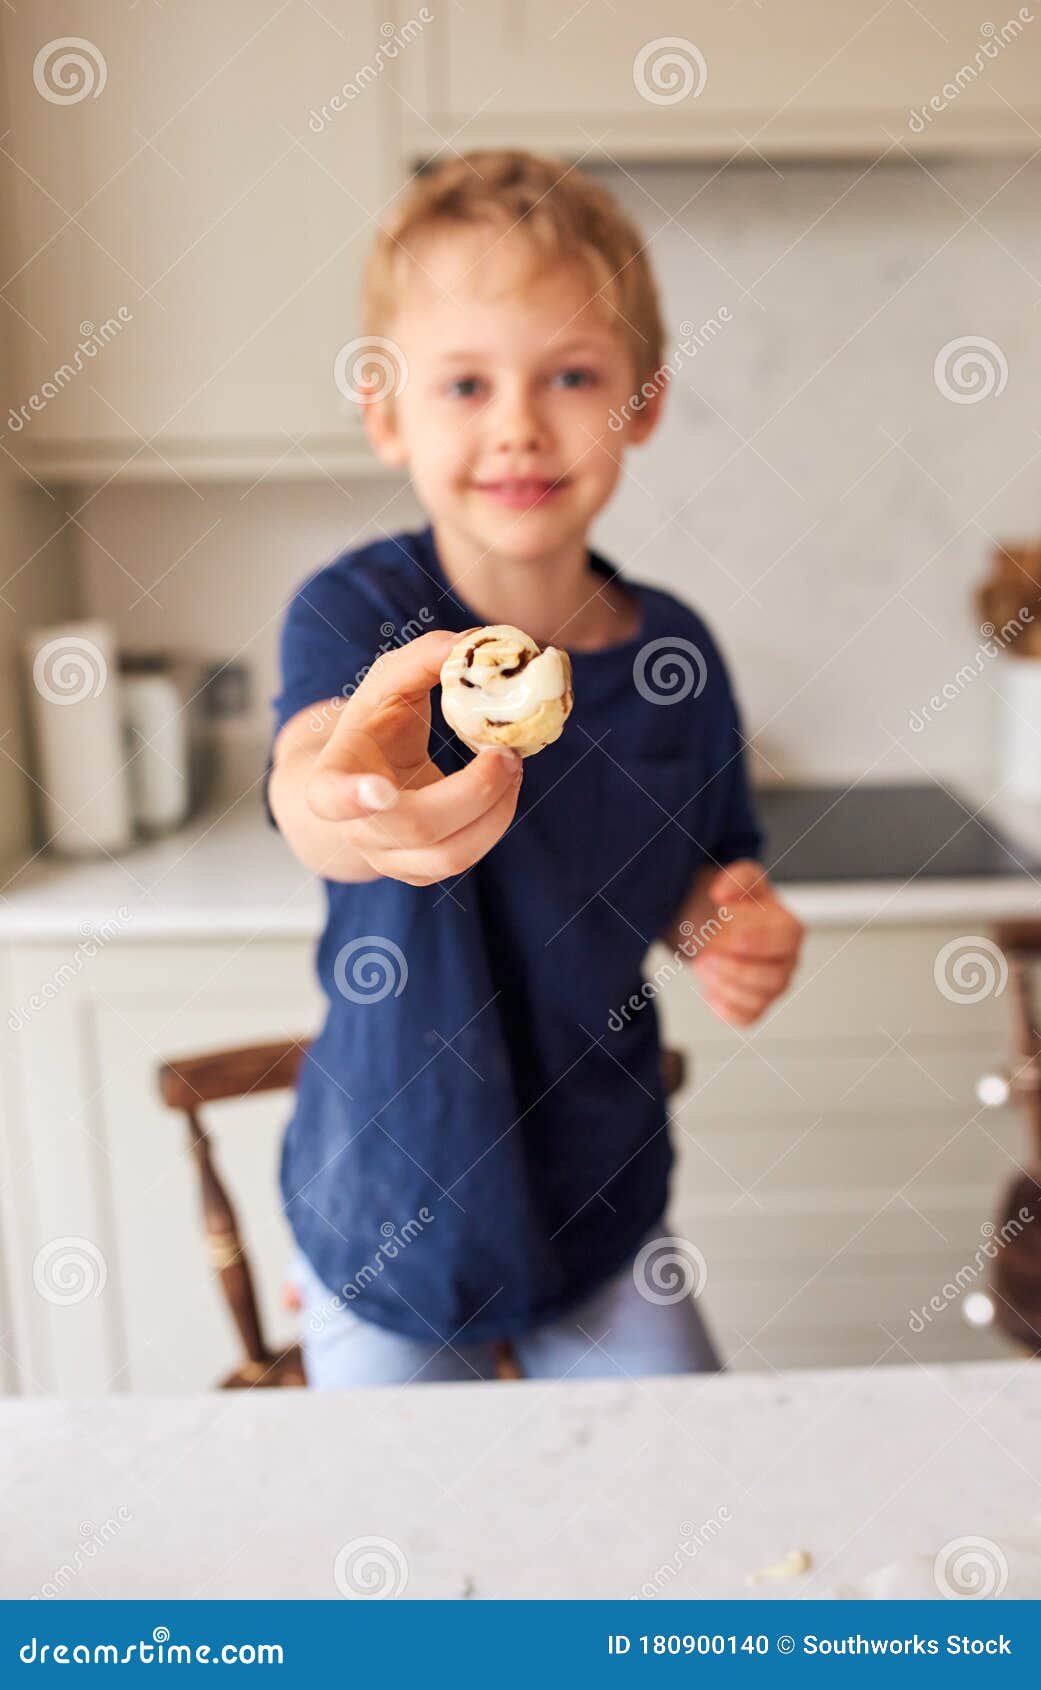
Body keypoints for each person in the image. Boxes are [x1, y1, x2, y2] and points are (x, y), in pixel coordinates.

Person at [265, 150, 804, 1387]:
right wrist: (355, 795)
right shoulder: (353, 616)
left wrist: (735, 925)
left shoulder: (678, 654)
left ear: (644, 401)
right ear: (386, 414)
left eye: (571, 375)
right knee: (398, 1561)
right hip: (389, 1204)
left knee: (679, 1524)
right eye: (464, 383)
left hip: (601, 1208)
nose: (517, 423)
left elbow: (702, 872)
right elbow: (312, 786)